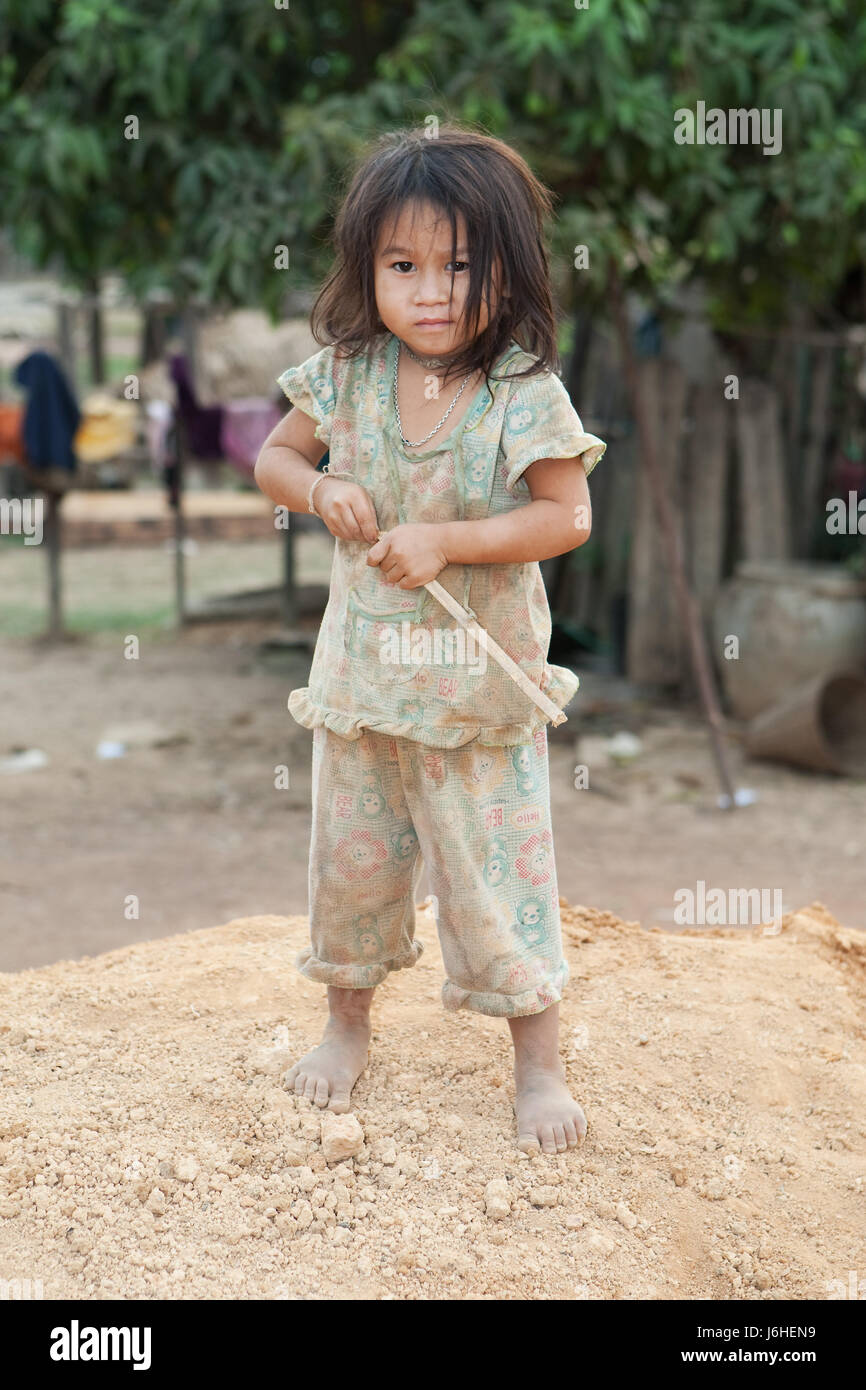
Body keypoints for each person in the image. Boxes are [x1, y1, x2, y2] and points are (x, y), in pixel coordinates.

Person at [254, 125, 607, 1156]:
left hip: (476, 697)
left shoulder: (521, 391)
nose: (432, 290)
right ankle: (344, 1026)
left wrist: (449, 540)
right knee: (352, 868)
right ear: (368, 271)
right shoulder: (348, 374)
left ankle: (537, 1064)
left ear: (508, 264)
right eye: (402, 265)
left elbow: (565, 517)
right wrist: (321, 487)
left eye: (459, 264)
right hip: (364, 685)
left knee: (494, 875)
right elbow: (274, 458)